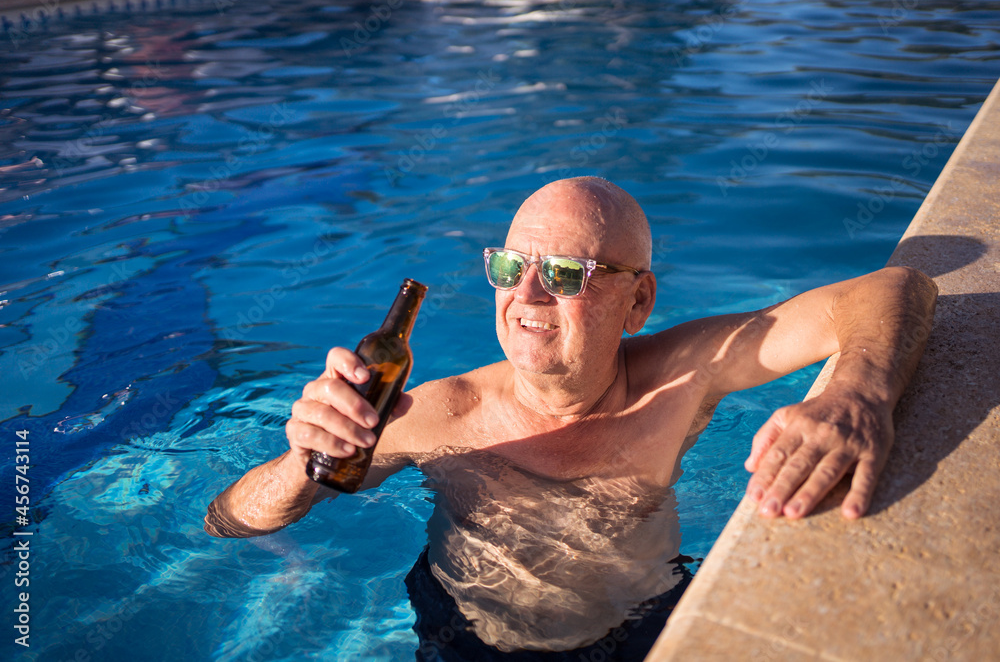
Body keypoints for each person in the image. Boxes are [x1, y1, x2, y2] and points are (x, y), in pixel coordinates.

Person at [205, 176, 937, 658]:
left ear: (638, 303)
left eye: (563, 274)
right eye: (507, 266)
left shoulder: (682, 378)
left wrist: (856, 393)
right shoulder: (438, 416)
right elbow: (226, 518)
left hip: (646, 621)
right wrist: (300, 464)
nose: (524, 295)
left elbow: (893, 288)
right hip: (469, 639)